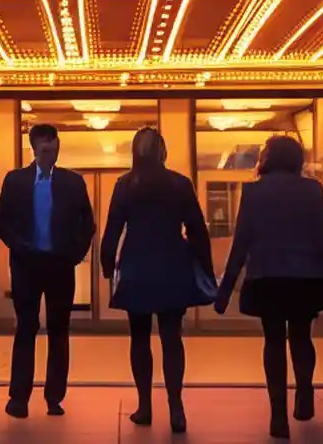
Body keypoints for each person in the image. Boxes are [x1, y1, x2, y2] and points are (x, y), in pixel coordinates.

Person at [214, 135, 323, 440]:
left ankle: (277, 414)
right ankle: (304, 389)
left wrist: (225, 288)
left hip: (268, 276)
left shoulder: (253, 192)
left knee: (274, 341)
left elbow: (242, 242)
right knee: (302, 336)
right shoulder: (311, 190)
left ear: (268, 158)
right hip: (307, 277)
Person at [100, 127, 214, 434]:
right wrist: (204, 264)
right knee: (171, 337)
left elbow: (113, 228)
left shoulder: (125, 184)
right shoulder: (179, 184)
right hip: (172, 262)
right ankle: (176, 408)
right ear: (163, 152)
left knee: (139, 338)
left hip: (137, 264)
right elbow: (197, 228)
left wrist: (107, 263)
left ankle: (145, 406)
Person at [0, 123, 96, 419]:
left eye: (55, 147)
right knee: (26, 327)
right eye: (46, 148)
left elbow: (86, 223)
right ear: (34, 149)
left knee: (59, 330)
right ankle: (18, 397)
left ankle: (54, 397)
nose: (52, 153)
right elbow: (1, 221)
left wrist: (75, 254)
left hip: (60, 264)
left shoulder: (73, 182)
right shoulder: (16, 181)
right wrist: (18, 245)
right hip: (27, 264)